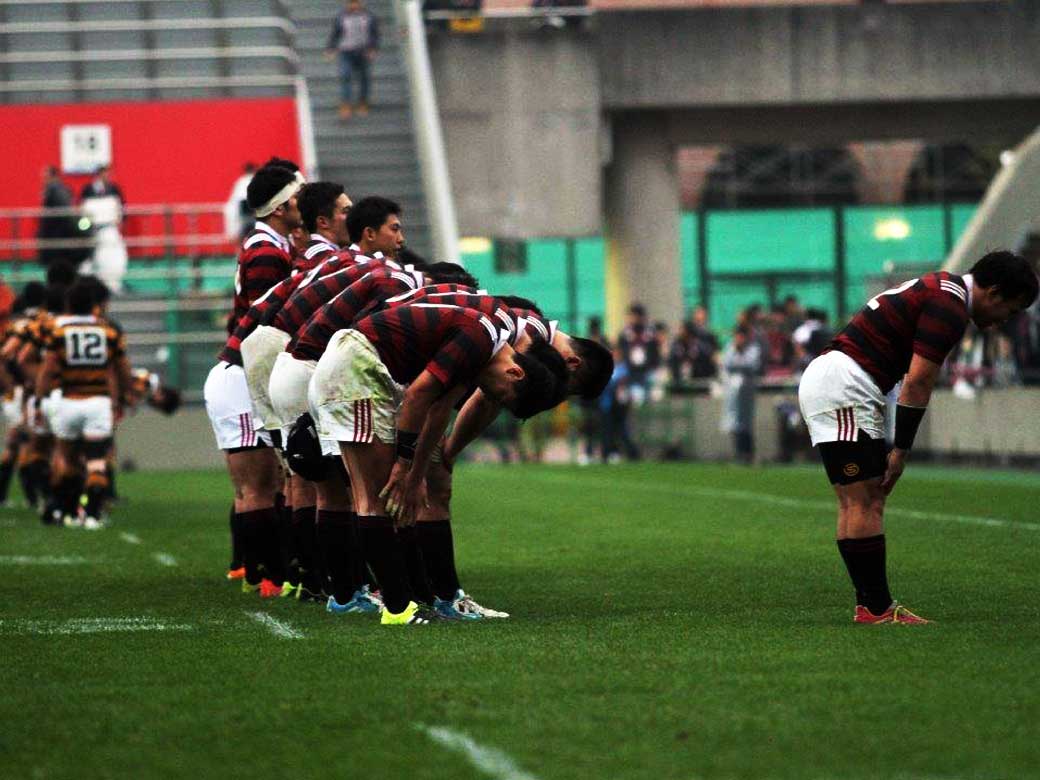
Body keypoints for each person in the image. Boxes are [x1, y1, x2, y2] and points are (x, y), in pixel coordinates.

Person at [798, 251, 1038, 625]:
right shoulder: (951, 306)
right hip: (847, 384)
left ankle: (871, 607)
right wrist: (902, 449)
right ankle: (876, 609)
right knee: (865, 501)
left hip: (838, 379)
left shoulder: (943, 288)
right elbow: (919, 379)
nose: (1002, 321)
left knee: (858, 501)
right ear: (993, 291)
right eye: (1009, 309)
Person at [307, 302, 568, 624]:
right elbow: (419, 395)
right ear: (515, 372)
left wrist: (416, 476)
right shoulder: (481, 337)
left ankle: (396, 603)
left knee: (374, 497)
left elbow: (438, 410)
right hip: (357, 367)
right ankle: (397, 608)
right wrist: (404, 467)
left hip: (355, 364)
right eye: (502, 397)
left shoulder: (484, 347)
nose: (491, 399)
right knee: (373, 498)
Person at [203, 162, 302, 596]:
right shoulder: (267, 252)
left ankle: (257, 574)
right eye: (297, 195)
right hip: (243, 374)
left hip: (245, 370)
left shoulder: (268, 243)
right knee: (258, 487)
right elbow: (264, 322)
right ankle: (266, 578)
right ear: (281, 207)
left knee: (262, 486)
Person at [36, 281, 129, 528]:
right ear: (93, 306)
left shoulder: (59, 332)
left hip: (68, 400)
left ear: (69, 305)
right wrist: (122, 397)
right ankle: (91, 513)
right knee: (97, 461)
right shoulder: (108, 332)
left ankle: (63, 509)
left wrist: (38, 399)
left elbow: (47, 369)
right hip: (98, 402)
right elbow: (121, 369)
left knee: (66, 460)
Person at [324, 0, 380, 120]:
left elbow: (374, 34)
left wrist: (373, 48)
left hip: (363, 50)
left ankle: (363, 102)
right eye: (351, 3)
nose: (353, 6)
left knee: (364, 77)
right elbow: (335, 34)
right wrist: (331, 48)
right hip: (346, 51)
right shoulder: (341, 17)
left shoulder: (368, 16)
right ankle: (346, 104)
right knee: (345, 75)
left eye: (356, 3)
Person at [79, 166, 128, 293]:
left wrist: (120, 221)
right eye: (105, 173)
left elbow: (121, 207)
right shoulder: (88, 189)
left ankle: (113, 284)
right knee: (90, 258)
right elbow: (82, 209)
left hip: (110, 228)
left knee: (115, 255)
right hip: (92, 230)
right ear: (99, 174)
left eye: (109, 173)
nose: (107, 176)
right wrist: (84, 227)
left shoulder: (114, 189)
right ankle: (87, 284)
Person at [720, 324, 761, 464]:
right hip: (732, 390)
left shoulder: (753, 349)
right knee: (734, 423)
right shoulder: (730, 348)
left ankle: (749, 454)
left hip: (747, 390)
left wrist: (738, 363)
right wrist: (739, 362)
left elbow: (752, 365)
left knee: (746, 423)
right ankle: (739, 454)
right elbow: (726, 363)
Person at [616, 303, 659, 405]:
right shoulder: (624, 334)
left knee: (654, 391)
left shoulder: (650, 334)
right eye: (629, 316)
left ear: (640, 317)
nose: (630, 319)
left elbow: (655, 355)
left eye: (632, 316)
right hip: (629, 371)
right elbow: (621, 354)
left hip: (647, 371)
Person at [37, 166, 78, 267]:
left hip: (56, 234)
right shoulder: (62, 189)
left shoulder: (55, 189)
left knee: (57, 263)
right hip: (59, 233)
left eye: (46, 176)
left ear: (53, 176)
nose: (44, 179)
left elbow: (63, 213)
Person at [222, 162, 258, 243]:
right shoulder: (249, 181)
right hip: (247, 216)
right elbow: (243, 202)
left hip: (243, 216)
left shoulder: (241, 182)